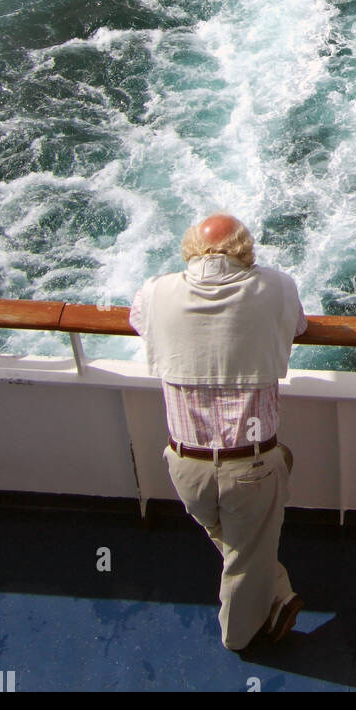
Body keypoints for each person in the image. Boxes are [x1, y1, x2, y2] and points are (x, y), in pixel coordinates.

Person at [129, 212, 306, 651]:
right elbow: (298, 326)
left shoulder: (155, 293)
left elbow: (138, 322)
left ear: (190, 249)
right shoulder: (277, 287)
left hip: (184, 465)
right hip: (250, 466)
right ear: (246, 251)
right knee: (245, 561)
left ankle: (276, 586)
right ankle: (241, 636)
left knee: (236, 541)